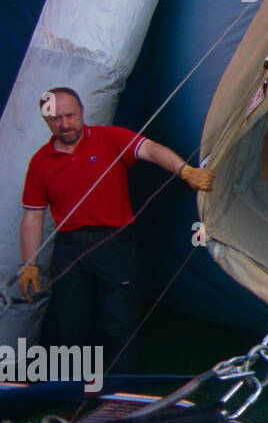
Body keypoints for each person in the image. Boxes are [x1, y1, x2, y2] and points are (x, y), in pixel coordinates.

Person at [17, 87, 214, 372]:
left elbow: (151, 150)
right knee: (71, 325)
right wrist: (29, 264)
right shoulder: (40, 162)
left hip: (115, 243)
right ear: (46, 121)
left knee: (120, 321)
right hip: (69, 248)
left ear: (82, 111)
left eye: (70, 115)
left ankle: (126, 391)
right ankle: (77, 391)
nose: (65, 124)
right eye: (56, 118)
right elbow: (32, 217)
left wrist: (185, 171)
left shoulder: (109, 138)